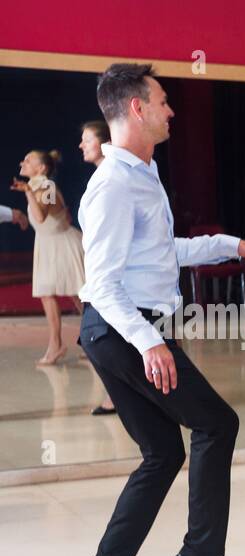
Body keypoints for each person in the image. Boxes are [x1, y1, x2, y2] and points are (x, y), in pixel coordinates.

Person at [75, 63, 245, 556]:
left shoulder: (141, 175)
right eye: (162, 101)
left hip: (116, 330)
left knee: (162, 451)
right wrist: (150, 342)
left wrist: (232, 244)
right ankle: (200, 555)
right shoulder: (114, 185)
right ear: (137, 108)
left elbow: (167, 253)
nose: (171, 109)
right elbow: (103, 283)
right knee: (217, 424)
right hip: (123, 329)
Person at [13, 149, 85, 367]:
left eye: (28, 160)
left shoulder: (48, 186)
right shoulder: (38, 186)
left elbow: (40, 216)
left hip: (63, 244)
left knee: (80, 296)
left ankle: (96, 339)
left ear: (41, 168)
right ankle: (56, 345)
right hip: (47, 244)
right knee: (46, 293)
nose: (22, 162)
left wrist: (26, 191)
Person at [79, 119, 119, 416]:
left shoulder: (113, 177)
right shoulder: (102, 177)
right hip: (101, 278)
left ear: (104, 142)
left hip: (113, 279)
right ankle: (117, 396)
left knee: (104, 339)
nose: (81, 144)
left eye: (86, 139)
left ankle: (118, 397)